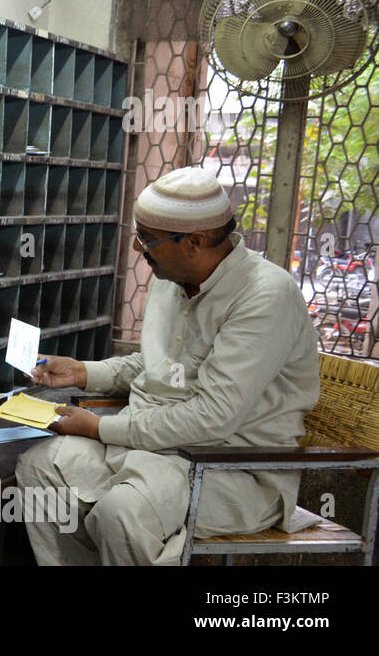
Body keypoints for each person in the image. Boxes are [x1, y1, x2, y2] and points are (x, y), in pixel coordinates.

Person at [16, 166, 320, 565]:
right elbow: (160, 364)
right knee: (41, 469)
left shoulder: (265, 296)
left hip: (227, 467)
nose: (138, 247)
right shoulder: (171, 276)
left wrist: (99, 427)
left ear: (194, 242)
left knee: (121, 514)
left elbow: (213, 416)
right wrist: (85, 372)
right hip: (149, 448)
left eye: (147, 239)